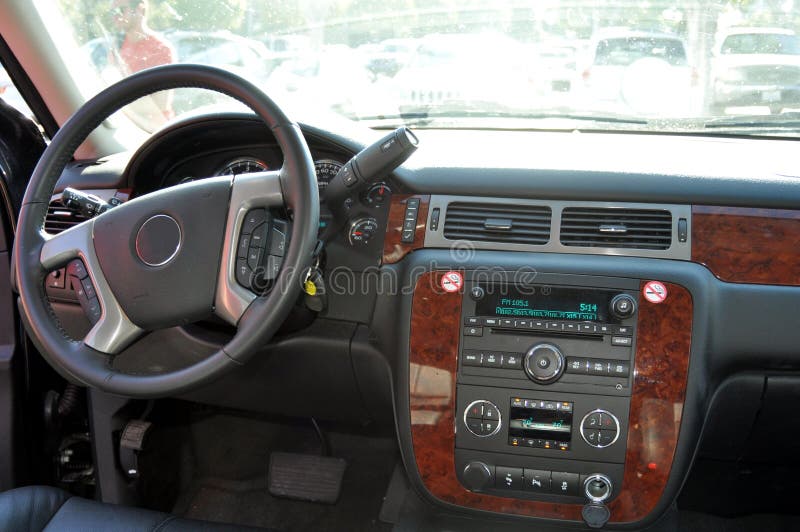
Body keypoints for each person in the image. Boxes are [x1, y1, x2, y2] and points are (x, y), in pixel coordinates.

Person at [109, 0, 176, 125]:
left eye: (121, 10)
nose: (116, 16)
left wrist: (115, 102)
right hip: (129, 126)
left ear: (140, 9)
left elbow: (160, 104)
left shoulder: (161, 48)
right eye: (113, 12)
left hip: (156, 130)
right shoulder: (116, 48)